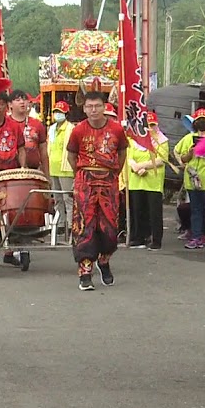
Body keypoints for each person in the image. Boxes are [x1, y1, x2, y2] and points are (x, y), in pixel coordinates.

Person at [66, 91, 128, 291]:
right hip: (85, 182)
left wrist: (111, 173)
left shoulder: (117, 130)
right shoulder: (78, 131)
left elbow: (122, 154)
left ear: (104, 107)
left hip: (109, 181)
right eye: (89, 106)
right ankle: (85, 271)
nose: (93, 110)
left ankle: (104, 259)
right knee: (85, 226)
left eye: (97, 106)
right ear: (84, 108)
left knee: (109, 228)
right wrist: (83, 176)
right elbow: (71, 156)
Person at [123, 112, 169, 250]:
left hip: (153, 180)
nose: (149, 128)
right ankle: (138, 237)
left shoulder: (162, 140)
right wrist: (136, 167)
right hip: (136, 179)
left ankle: (155, 239)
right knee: (137, 209)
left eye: (152, 125)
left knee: (153, 211)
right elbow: (129, 156)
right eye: (146, 125)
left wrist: (143, 166)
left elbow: (162, 160)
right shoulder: (133, 139)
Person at [175, 109, 205, 251]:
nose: (201, 123)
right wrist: (190, 153)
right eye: (198, 120)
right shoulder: (188, 138)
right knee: (196, 210)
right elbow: (180, 155)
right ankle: (197, 237)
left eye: (204, 120)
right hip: (192, 180)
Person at [47, 101, 75, 232]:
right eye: (56, 112)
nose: (57, 115)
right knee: (57, 199)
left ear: (66, 114)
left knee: (68, 198)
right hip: (53, 168)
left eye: (60, 112)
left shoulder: (71, 129)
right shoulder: (51, 129)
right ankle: (61, 223)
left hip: (66, 168)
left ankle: (70, 223)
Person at [9, 89, 47, 174]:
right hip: (10, 172)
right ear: (10, 104)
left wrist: (47, 175)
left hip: (33, 171)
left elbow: (43, 152)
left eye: (24, 99)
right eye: (18, 100)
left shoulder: (37, 124)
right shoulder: (5, 124)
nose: (22, 102)